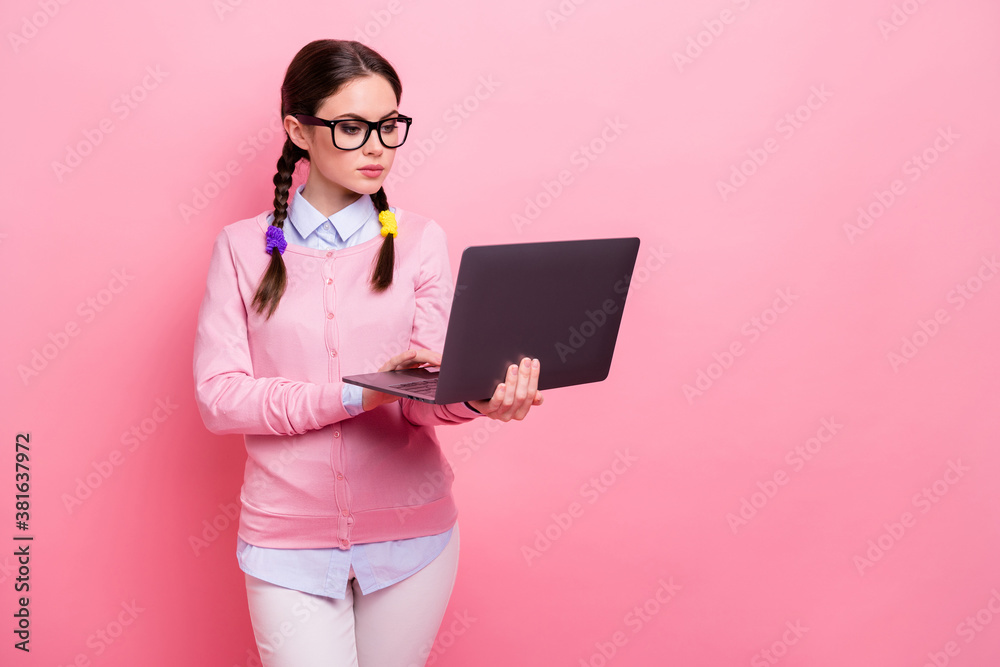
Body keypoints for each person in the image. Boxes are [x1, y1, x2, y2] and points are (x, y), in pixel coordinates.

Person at [192, 39, 543, 666]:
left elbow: (421, 401)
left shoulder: (421, 242)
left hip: (415, 538)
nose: (377, 146)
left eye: (389, 125)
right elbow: (221, 399)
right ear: (297, 131)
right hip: (286, 544)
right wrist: (360, 392)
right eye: (352, 127)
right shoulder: (240, 248)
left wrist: (478, 399)